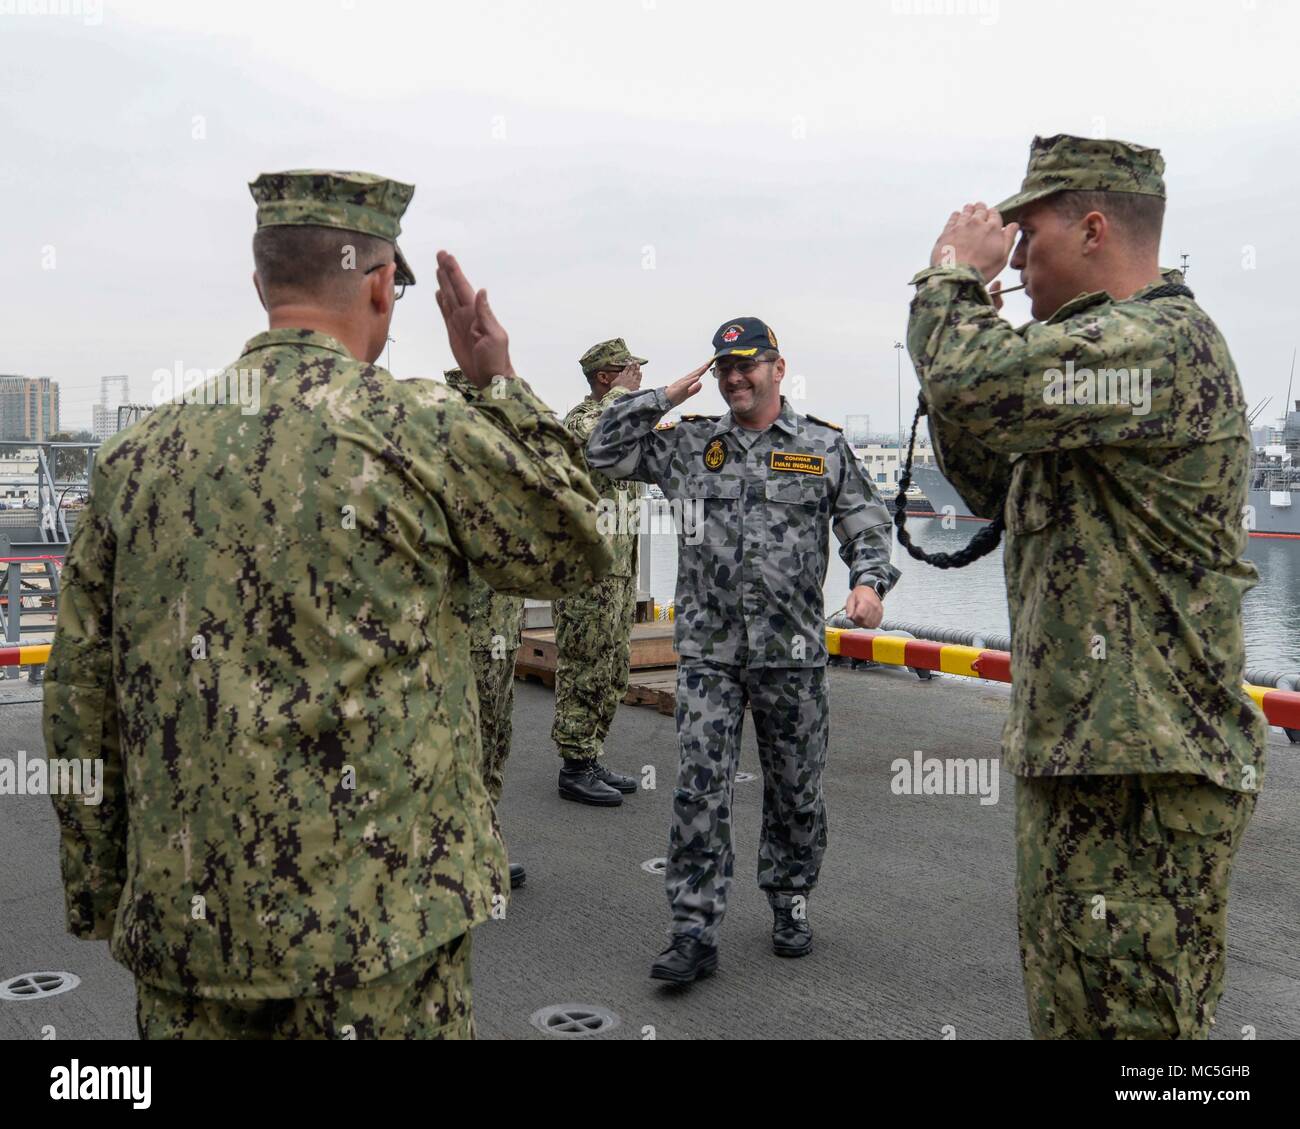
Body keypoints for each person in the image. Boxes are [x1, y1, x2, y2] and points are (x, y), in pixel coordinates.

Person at [42, 169, 612, 1039]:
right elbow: (575, 546)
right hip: (383, 940)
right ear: (383, 286)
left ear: (261, 283)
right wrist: (496, 382)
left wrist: (101, 886)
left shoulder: (134, 457)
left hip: (191, 934)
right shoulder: (420, 427)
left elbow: (79, 699)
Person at [906, 134, 1266, 1038]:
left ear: (1095, 227)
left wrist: (949, 276)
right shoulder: (1095, 368)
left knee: (1138, 1039)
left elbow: (967, 376)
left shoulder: (1157, 344)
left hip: (1142, 781)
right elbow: (985, 467)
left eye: (1030, 237)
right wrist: (969, 324)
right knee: (1078, 1015)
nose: (1017, 262)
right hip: (1089, 765)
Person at [587, 317, 899, 983]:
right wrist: (664, 395)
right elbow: (603, 451)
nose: (735, 377)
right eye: (726, 367)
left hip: (792, 653)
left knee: (795, 789)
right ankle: (693, 929)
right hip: (709, 655)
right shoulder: (691, 445)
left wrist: (869, 583)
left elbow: (866, 522)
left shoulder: (821, 446)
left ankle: (789, 897)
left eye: (749, 365)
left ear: (778, 368)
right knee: (699, 789)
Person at [552, 339, 648, 806]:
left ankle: (590, 754)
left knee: (613, 665)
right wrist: (620, 399)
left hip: (619, 569)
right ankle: (573, 765)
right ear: (605, 377)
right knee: (584, 662)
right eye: (629, 370)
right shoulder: (582, 419)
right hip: (587, 571)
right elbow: (593, 444)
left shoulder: (621, 420)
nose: (638, 376)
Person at [444, 367, 528, 889]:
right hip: (467, 632)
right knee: (468, 744)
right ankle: (463, 854)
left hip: (498, 627)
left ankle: (481, 839)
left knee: (493, 742)